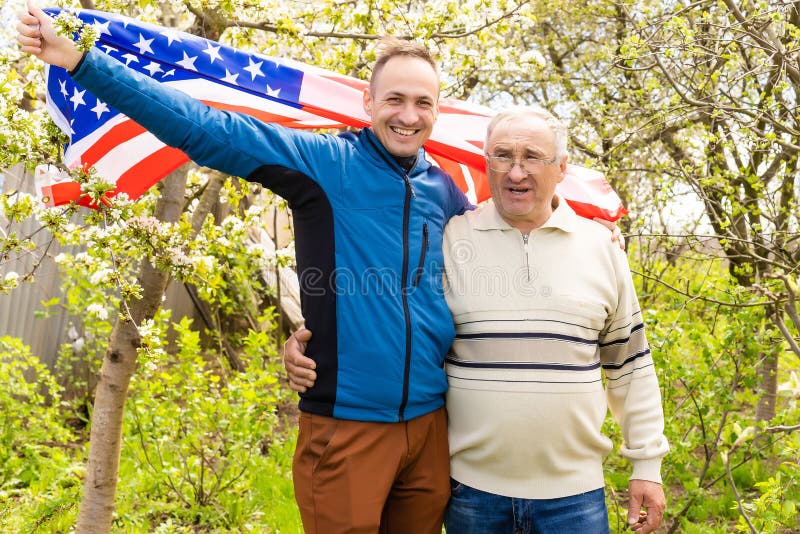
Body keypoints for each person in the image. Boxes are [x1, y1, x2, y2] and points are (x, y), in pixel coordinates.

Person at [18, 5, 466, 532]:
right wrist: (83, 63)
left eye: (422, 103)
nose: (408, 115)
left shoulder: (446, 192)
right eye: (394, 99)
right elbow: (208, 128)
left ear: (437, 112)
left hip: (432, 427)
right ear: (367, 103)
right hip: (347, 425)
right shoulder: (325, 162)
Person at [287, 106, 669, 534]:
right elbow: (387, 314)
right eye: (502, 156)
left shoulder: (601, 249)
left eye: (533, 157)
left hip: (574, 500)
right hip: (472, 495)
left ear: (561, 168)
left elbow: (631, 368)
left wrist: (647, 465)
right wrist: (310, 342)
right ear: (487, 163)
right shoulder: (451, 237)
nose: (516, 172)